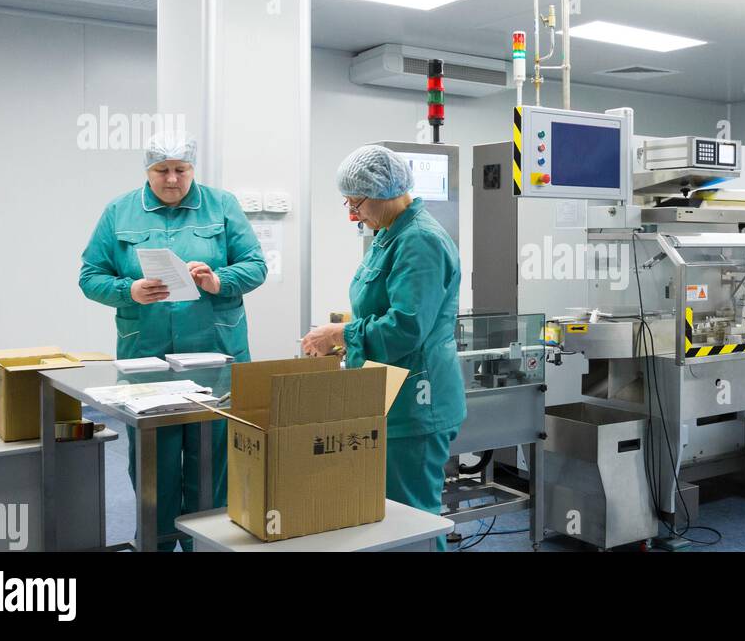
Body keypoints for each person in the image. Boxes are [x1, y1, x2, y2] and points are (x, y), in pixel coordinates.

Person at [79, 131, 266, 551]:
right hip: (148, 358)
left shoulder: (222, 206)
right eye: (162, 170)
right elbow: (90, 277)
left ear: (193, 169)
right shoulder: (120, 212)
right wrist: (129, 290)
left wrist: (219, 280)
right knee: (154, 461)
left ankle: (207, 543)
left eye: (181, 170)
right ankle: (156, 542)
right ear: (147, 171)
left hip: (217, 358)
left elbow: (255, 265)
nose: (171, 180)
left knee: (213, 461)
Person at [301, 145, 465, 551]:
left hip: (418, 399)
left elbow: (406, 327)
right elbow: (382, 307)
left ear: (382, 193)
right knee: (388, 514)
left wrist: (341, 335)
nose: (352, 214)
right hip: (393, 391)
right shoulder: (390, 235)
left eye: (356, 204)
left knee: (415, 519)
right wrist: (347, 340)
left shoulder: (420, 241)